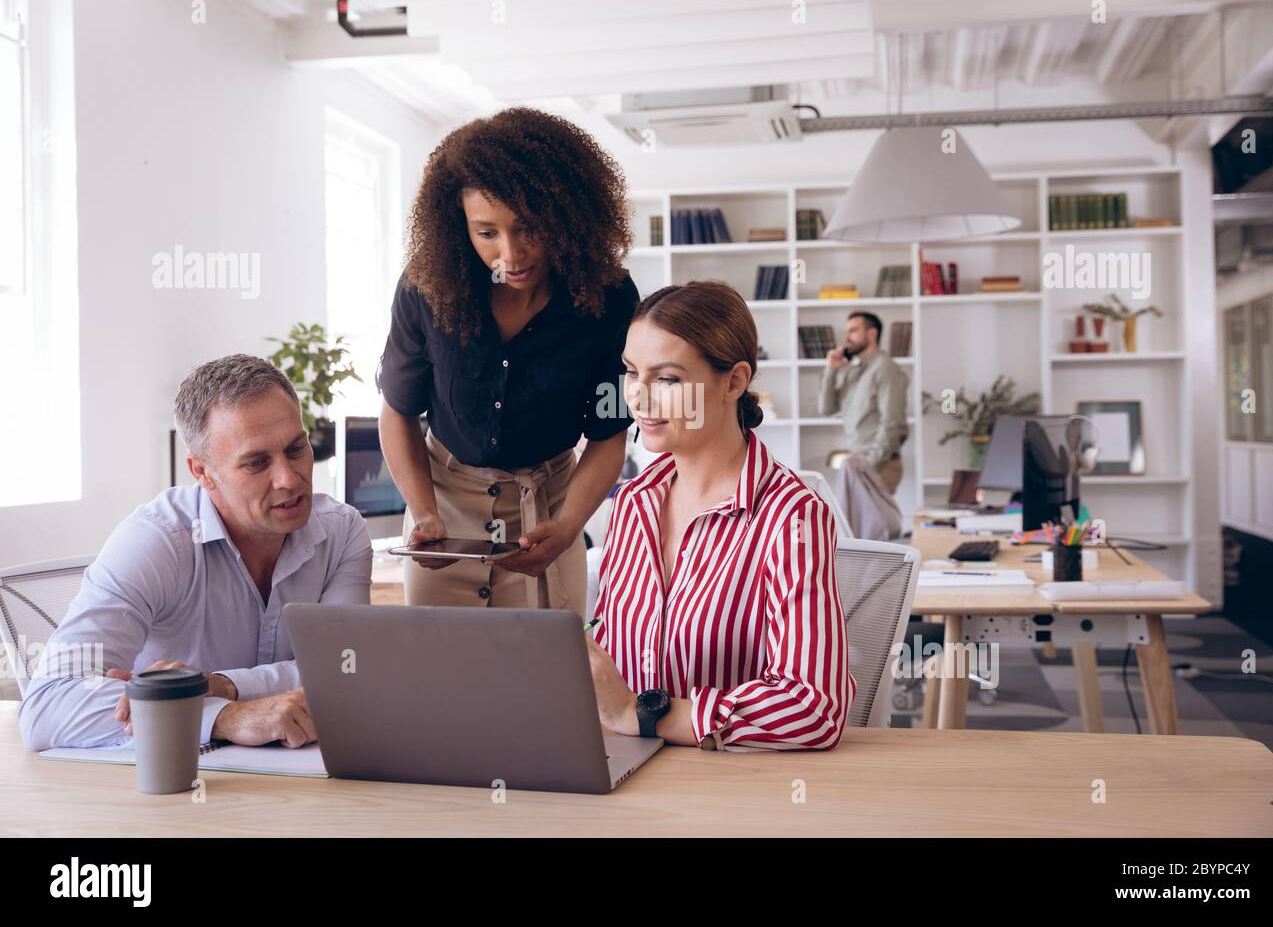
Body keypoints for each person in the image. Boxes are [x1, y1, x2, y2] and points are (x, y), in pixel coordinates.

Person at [18, 356, 373, 751]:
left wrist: (223, 686)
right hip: (170, 789)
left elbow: (348, 667)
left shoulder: (342, 531)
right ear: (201, 472)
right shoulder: (156, 541)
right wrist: (224, 716)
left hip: (298, 784)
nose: (289, 479)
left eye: (295, 449)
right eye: (257, 463)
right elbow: (47, 704)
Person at [378, 107, 636, 612]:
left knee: (547, 681)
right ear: (459, 227)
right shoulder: (426, 290)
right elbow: (399, 411)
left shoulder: (609, 299)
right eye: (487, 232)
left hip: (549, 511)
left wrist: (566, 530)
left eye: (528, 228)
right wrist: (423, 511)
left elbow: (608, 435)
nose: (511, 255)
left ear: (565, 217)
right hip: (444, 511)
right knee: (443, 679)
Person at [585, 280, 855, 751]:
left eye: (667, 379)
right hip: (619, 770)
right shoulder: (632, 504)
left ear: (734, 381)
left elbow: (814, 707)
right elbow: (613, 664)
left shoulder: (791, 517)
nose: (639, 398)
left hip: (729, 786)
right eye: (631, 373)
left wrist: (641, 714)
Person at [819, 311, 909, 494]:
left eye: (853, 331)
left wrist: (870, 464)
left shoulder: (886, 368)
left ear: (872, 334)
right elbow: (826, 409)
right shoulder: (854, 371)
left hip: (878, 465)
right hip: (859, 463)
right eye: (846, 332)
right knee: (852, 523)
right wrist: (831, 370)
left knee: (875, 524)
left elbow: (892, 421)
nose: (846, 337)